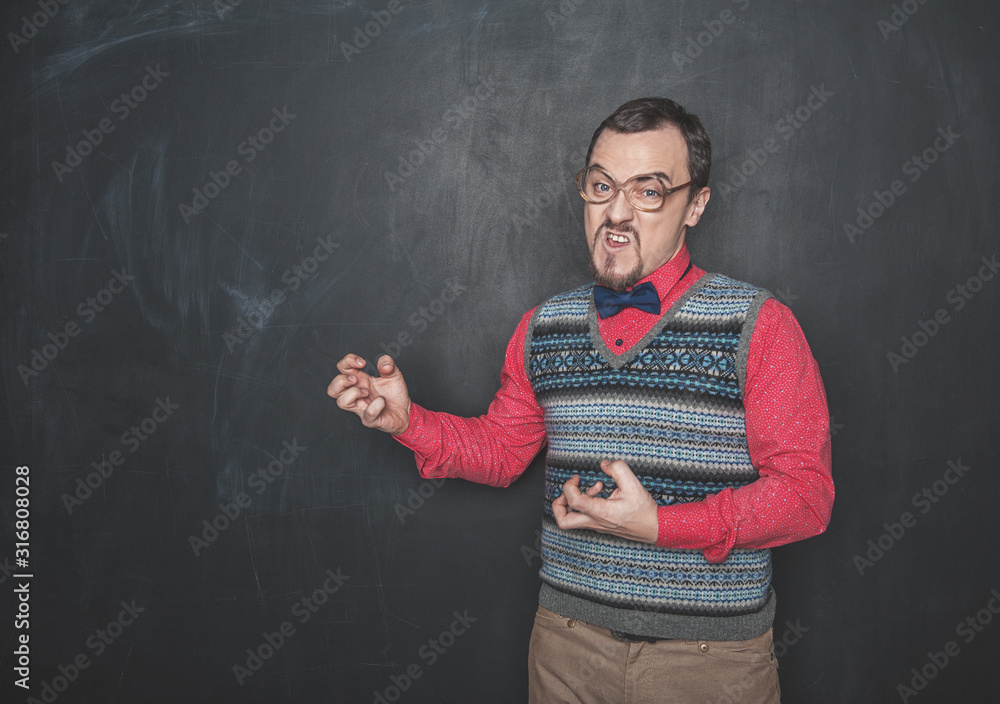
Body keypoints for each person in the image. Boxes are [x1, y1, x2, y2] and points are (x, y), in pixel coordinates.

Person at [328, 97, 834, 704]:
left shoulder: (761, 326)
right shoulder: (544, 326)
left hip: (710, 661)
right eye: (601, 186)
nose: (616, 213)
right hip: (565, 646)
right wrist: (407, 422)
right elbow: (501, 452)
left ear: (696, 204)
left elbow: (805, 496)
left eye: (649, 192)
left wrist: (663, 526)